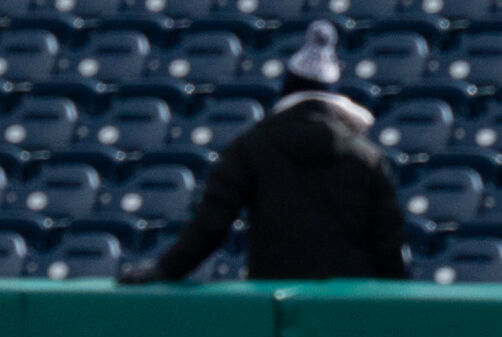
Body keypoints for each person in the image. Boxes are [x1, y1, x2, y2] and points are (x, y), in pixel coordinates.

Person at [118, 21, 407, 284]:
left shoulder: (252, 146)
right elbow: (388, 241)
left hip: (274, 303)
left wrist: (166, 270)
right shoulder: (367, 156)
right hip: (349, 305)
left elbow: (211, 224)